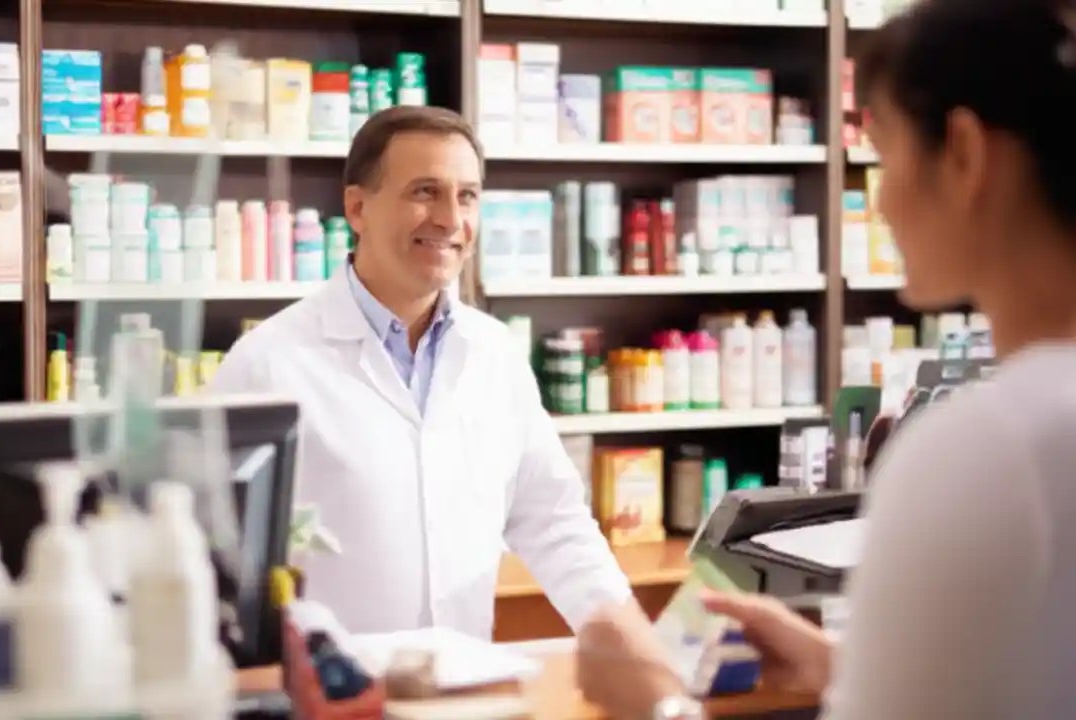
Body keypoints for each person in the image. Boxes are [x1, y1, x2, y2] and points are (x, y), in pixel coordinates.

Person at [576, 0, 1076, 717]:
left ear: (964, 154)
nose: (881, 205)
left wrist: (655, 703)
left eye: (885, 158)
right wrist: (840, 665)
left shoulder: (991, 446)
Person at [211, 106, 630, 638]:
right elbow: (213, 562)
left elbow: (554, 520)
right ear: (357, 208)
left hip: (460, 688)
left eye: (467, 195)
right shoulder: (265, 365)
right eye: (425, 191)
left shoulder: (495, 353)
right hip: (335, 697)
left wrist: (627, 637)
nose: (451, 219)